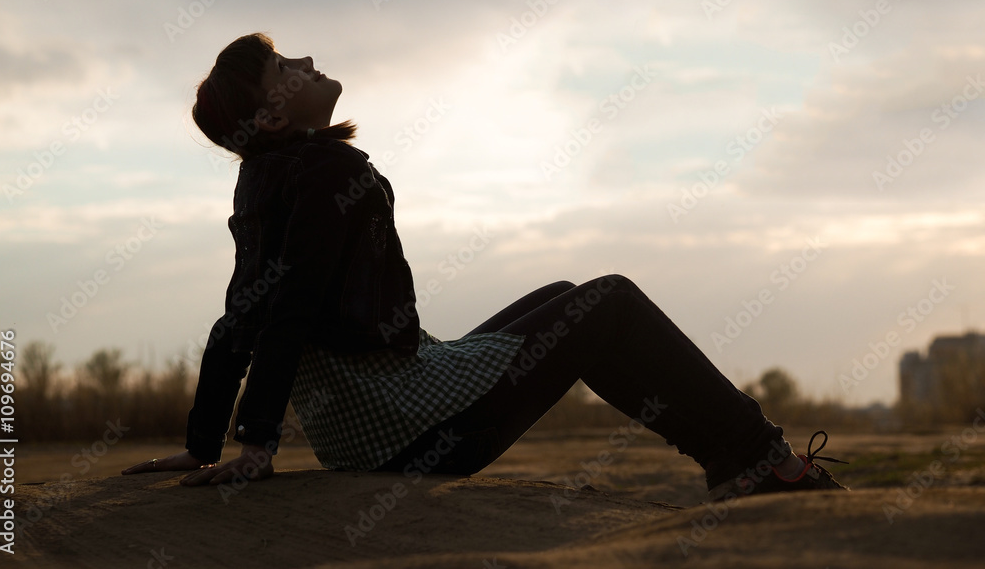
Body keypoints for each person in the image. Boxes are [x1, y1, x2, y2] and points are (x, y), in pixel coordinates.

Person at [122, 33, 847, 500]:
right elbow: (285, 309)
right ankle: (764, 458)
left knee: (571, 295)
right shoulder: (317, 173)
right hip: (406, 428)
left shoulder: (264, 182)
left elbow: (238, 315)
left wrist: (200, 443)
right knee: (612, 301)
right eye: (285, 67)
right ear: (275, 117)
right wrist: (256, 445)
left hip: (373, 418)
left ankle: (732, 461)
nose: (308, 61)